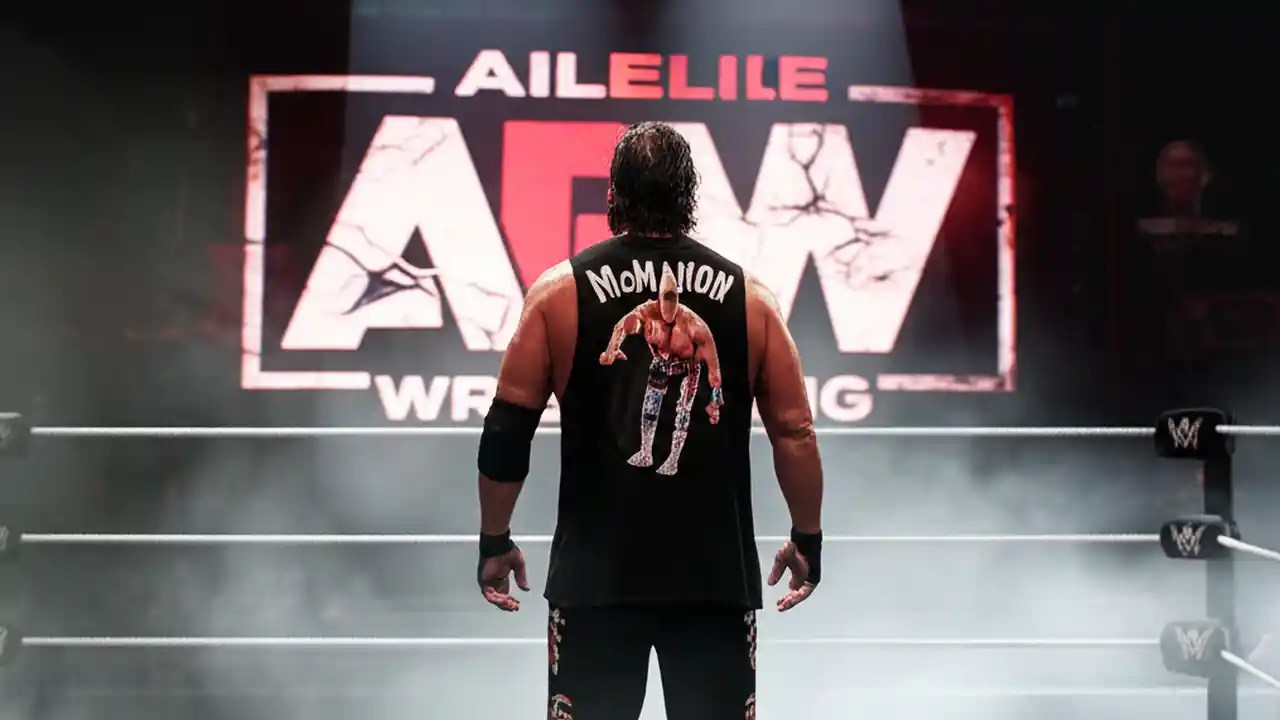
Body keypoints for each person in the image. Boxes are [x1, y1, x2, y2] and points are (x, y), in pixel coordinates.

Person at [473, 121, 825, 719]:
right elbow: (795, 432)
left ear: (612, 195)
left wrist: (495, 541)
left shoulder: (560, 293)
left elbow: (508, 429)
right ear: (690, 197)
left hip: (596, 583)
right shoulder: (749, 298)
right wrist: (807, 538)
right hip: (712, 580)